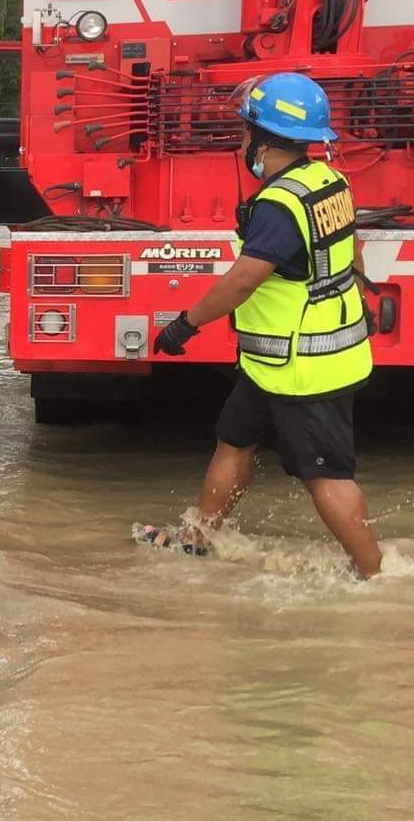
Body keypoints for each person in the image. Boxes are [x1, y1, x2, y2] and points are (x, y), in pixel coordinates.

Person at [140, 71, 382, 578]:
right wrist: (360, 293)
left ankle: (374, 576)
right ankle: (198, 539)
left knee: (325, 476)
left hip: (304, 367)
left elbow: (243, 280)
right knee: (234, 440)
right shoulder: (328, 180)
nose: (242, 139)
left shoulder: (279, 205)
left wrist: (185, 324)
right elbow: (353, 247)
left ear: (263, 139)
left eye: (245, 129)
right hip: (272, 362)